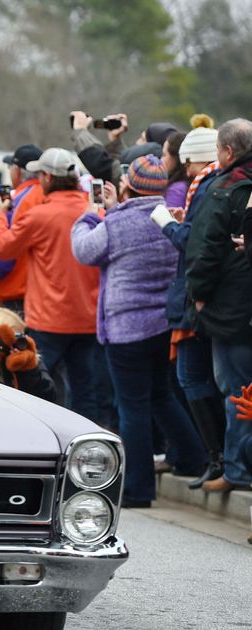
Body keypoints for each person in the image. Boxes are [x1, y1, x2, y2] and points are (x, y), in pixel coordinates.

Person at [72, 154, 208, 507]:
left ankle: (138, 489)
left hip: (126, 327)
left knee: (132, 406)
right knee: (161, 395)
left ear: (127, 185)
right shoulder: (170, 216)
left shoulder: (118, 223)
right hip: (163, 323)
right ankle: (194, 457)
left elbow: (84, 250)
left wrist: (90, 213)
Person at [0, 148, 104, 425]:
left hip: (49, 319)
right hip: (88, 318)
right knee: (85, 392)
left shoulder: (40, 216)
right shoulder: (94, 212)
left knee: (35, 388)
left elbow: (3, 250)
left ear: (48, 177)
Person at [151, 118, 227, 489]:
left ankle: (218, 457)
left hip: (199, 297)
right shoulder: (209, 185)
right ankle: (218, 458)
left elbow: (195, 246)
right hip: (202, 295)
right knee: (205, 379)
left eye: (188, 163)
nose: (185, 170)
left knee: (194, 378)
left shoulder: (210, 186)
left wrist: (167, 223)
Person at [184, 118, 252, 493]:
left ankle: (239, 470)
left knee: (238, 390)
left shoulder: (225, 187)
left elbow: (205, 248)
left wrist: (197, 292)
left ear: (226, 151)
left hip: (231, 307)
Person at [0, 144, 43, 317]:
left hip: (16, 294)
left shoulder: (17, 202)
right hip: (46, 295)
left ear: (17, 171)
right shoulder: (51, 195)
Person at [0, 307, 56, 402]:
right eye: (9, 338)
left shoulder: (29, 359)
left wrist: (30, 371)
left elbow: (49, 398)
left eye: (19, 336)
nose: (15, 343)